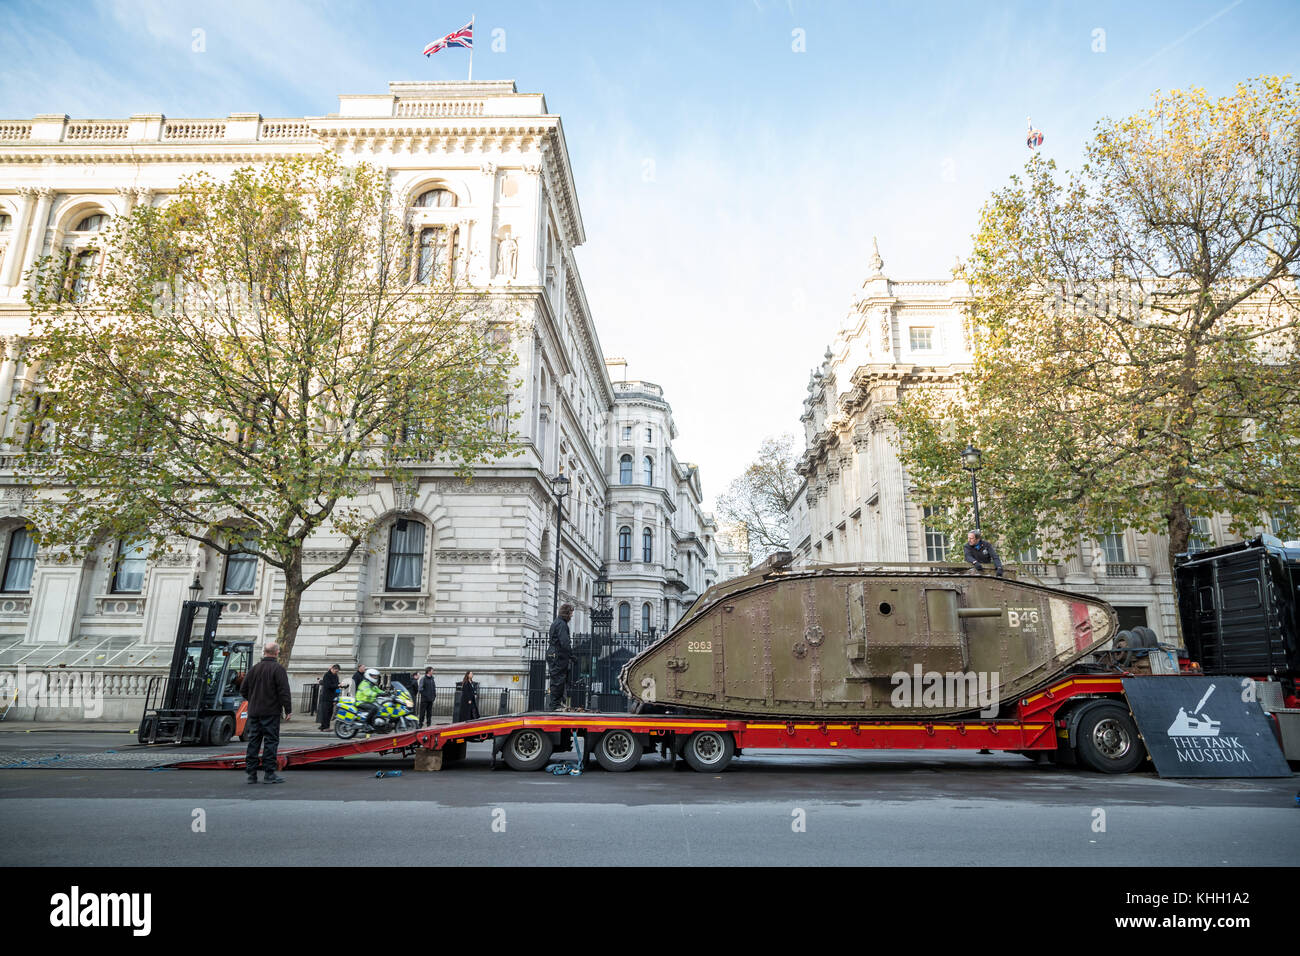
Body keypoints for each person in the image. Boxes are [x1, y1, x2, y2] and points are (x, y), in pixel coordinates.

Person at [241, 641, 292, 784]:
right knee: (270, 742)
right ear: (276, 652)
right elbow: (284, 692)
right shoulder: (278, 669)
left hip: (254, 711)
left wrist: (253, 700)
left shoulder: (254, 669)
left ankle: (251, 774)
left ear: (264, 652)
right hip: (271, 711)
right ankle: (269, 773)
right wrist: (287, 709)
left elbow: (243, 689)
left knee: (253, 742)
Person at [547, 603, 575, 710]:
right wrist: (571, 655)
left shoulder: (556, 623)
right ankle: (555, 705)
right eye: (571, 613)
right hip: (558, 654)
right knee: (558, 679)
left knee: (558, 679)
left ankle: (557, 703)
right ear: (566, 613)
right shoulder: (562, 624)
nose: (571, 615)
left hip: (554, 653)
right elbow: (565, 643)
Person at [317, 663, 341, 731]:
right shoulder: (327, 675)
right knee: (325, 713)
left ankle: (326, 726)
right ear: (332, 669)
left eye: (337, 671)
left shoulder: (336, 676)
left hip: (333, 697)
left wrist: (337, 697)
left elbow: (337, 687)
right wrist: (338, 685)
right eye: (336, 671)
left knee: (330, 713)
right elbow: (328, 686)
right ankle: (324, 727)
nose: (336, 672)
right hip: (327, 697)